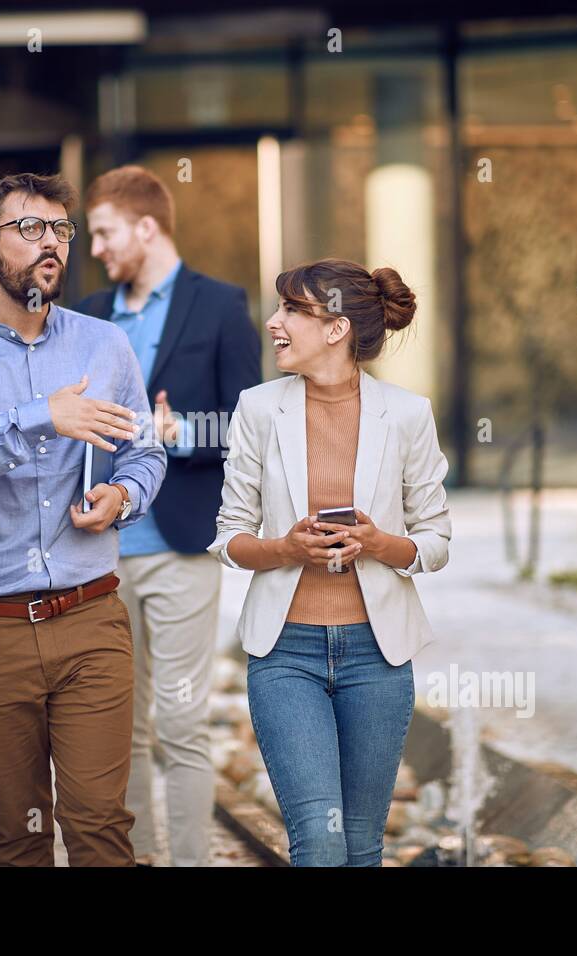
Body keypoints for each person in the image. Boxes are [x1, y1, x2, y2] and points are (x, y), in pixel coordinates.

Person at [0, 172, 167, 866]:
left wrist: (125, 497)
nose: (49, 243)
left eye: (59, 230)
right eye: (29, 229)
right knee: (18, 839)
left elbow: (144, 450)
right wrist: (40, 416)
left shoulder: (105, 345)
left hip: (92, 621)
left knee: (102, 827)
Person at [207, 257, 451, 867]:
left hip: (378, 657)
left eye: (292, 309)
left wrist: (377, 541)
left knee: (363, 848)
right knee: (318, 839)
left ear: (337, 327)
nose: (274, 322)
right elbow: (230, 537)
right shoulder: (259, 409)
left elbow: (436, 543)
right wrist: (286, 548)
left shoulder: (408, 414)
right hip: (285, 654)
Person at [75, 165, 261, 866]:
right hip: (99, 552)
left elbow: (251, 427)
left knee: (181, 724)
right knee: (119, 730)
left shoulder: (219, 305)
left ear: (146, 227)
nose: (95, 248)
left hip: (181, 547)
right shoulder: (90, 314)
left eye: (104, 232)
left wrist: (180, 433)